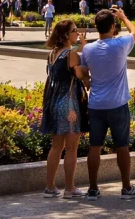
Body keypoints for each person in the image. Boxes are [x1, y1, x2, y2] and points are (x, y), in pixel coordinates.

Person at [78, 8, 135, 201]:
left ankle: (92, 189)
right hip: (117, 104)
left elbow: (82, 73)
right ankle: (126, 188)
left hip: (96, 105)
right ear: (113, 27)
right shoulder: (120, 44)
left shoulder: (88, 49)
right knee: (122, 146)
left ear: (96, 27)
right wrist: (124, 16)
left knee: (94, 147)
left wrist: (88, 82)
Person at [42, 19, 88, 199]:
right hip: (69, 104)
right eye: (75, 30)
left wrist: (81, 47)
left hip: (53, 102)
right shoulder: (71, 54)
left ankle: (50, 186)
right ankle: (70, 188)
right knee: (71, 148)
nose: (77, 33)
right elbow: (80, 74)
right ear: (65, 35)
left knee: (56, 146)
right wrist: (85, 48)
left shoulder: (53, 53)